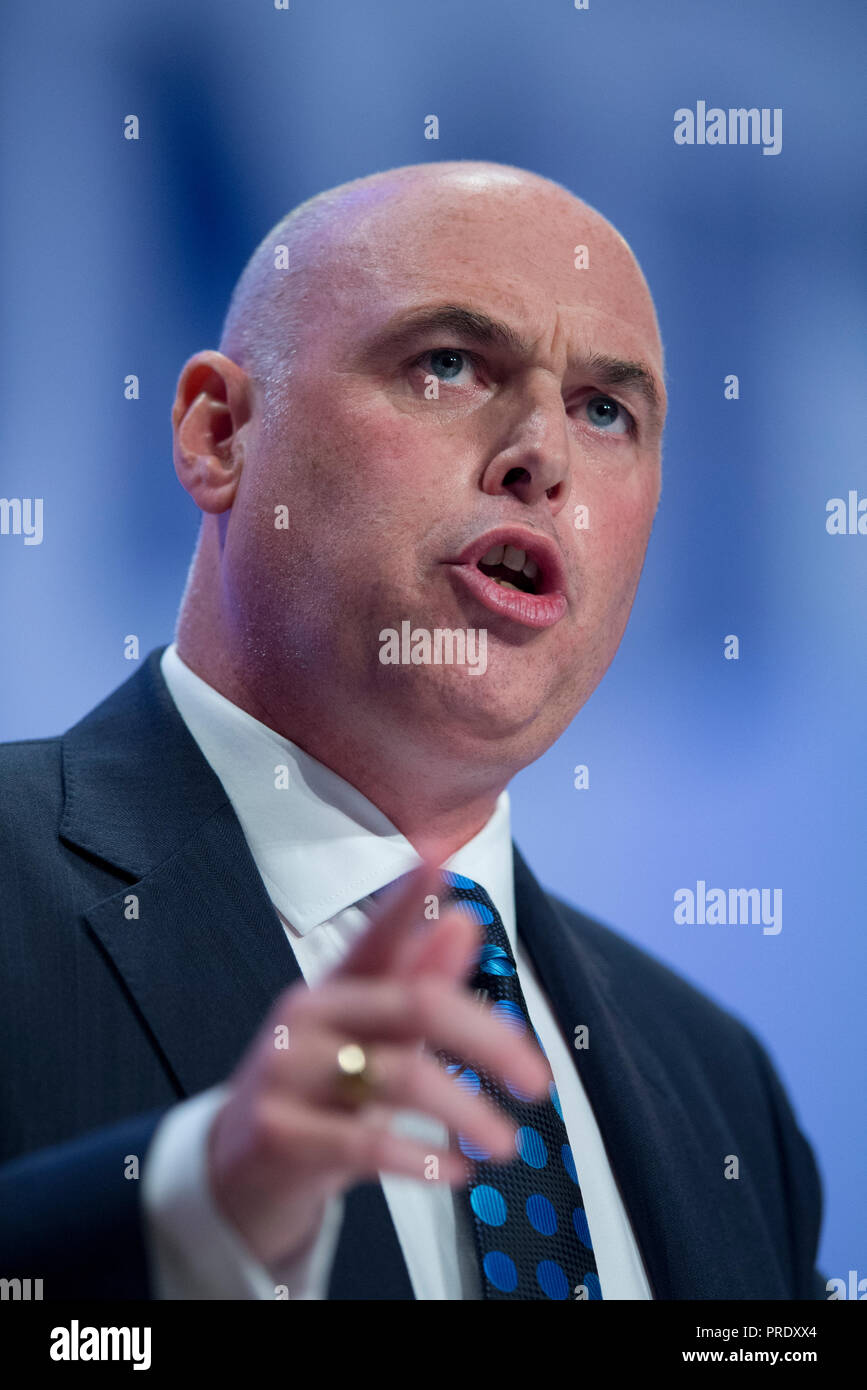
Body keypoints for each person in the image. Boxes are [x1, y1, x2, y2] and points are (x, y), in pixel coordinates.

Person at [0, 161, 824, 1301]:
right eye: (446, 365)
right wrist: (198, 1208)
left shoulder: (721, 1084)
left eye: (605, 410)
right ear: (218, 433)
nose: (543, 454)